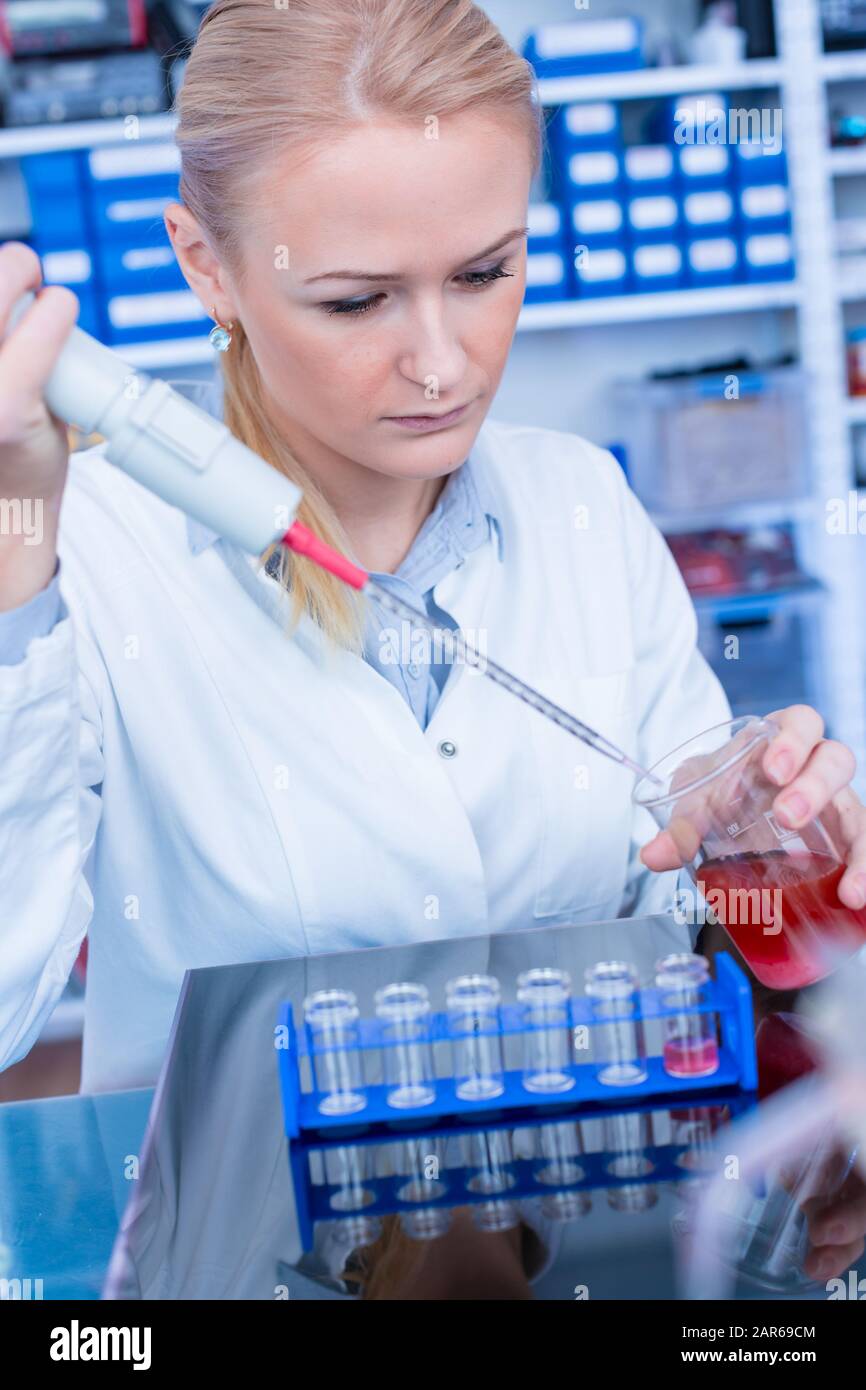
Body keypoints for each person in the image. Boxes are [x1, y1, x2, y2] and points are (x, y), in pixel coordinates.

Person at [0, 0, 863, 1095]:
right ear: (205, 264)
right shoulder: (87, 555)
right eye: (356, 300)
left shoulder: (579, 500)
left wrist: (758, 844)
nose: (441, 365)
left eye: (482, 274)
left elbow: (694, 940)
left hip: (580, 1222)